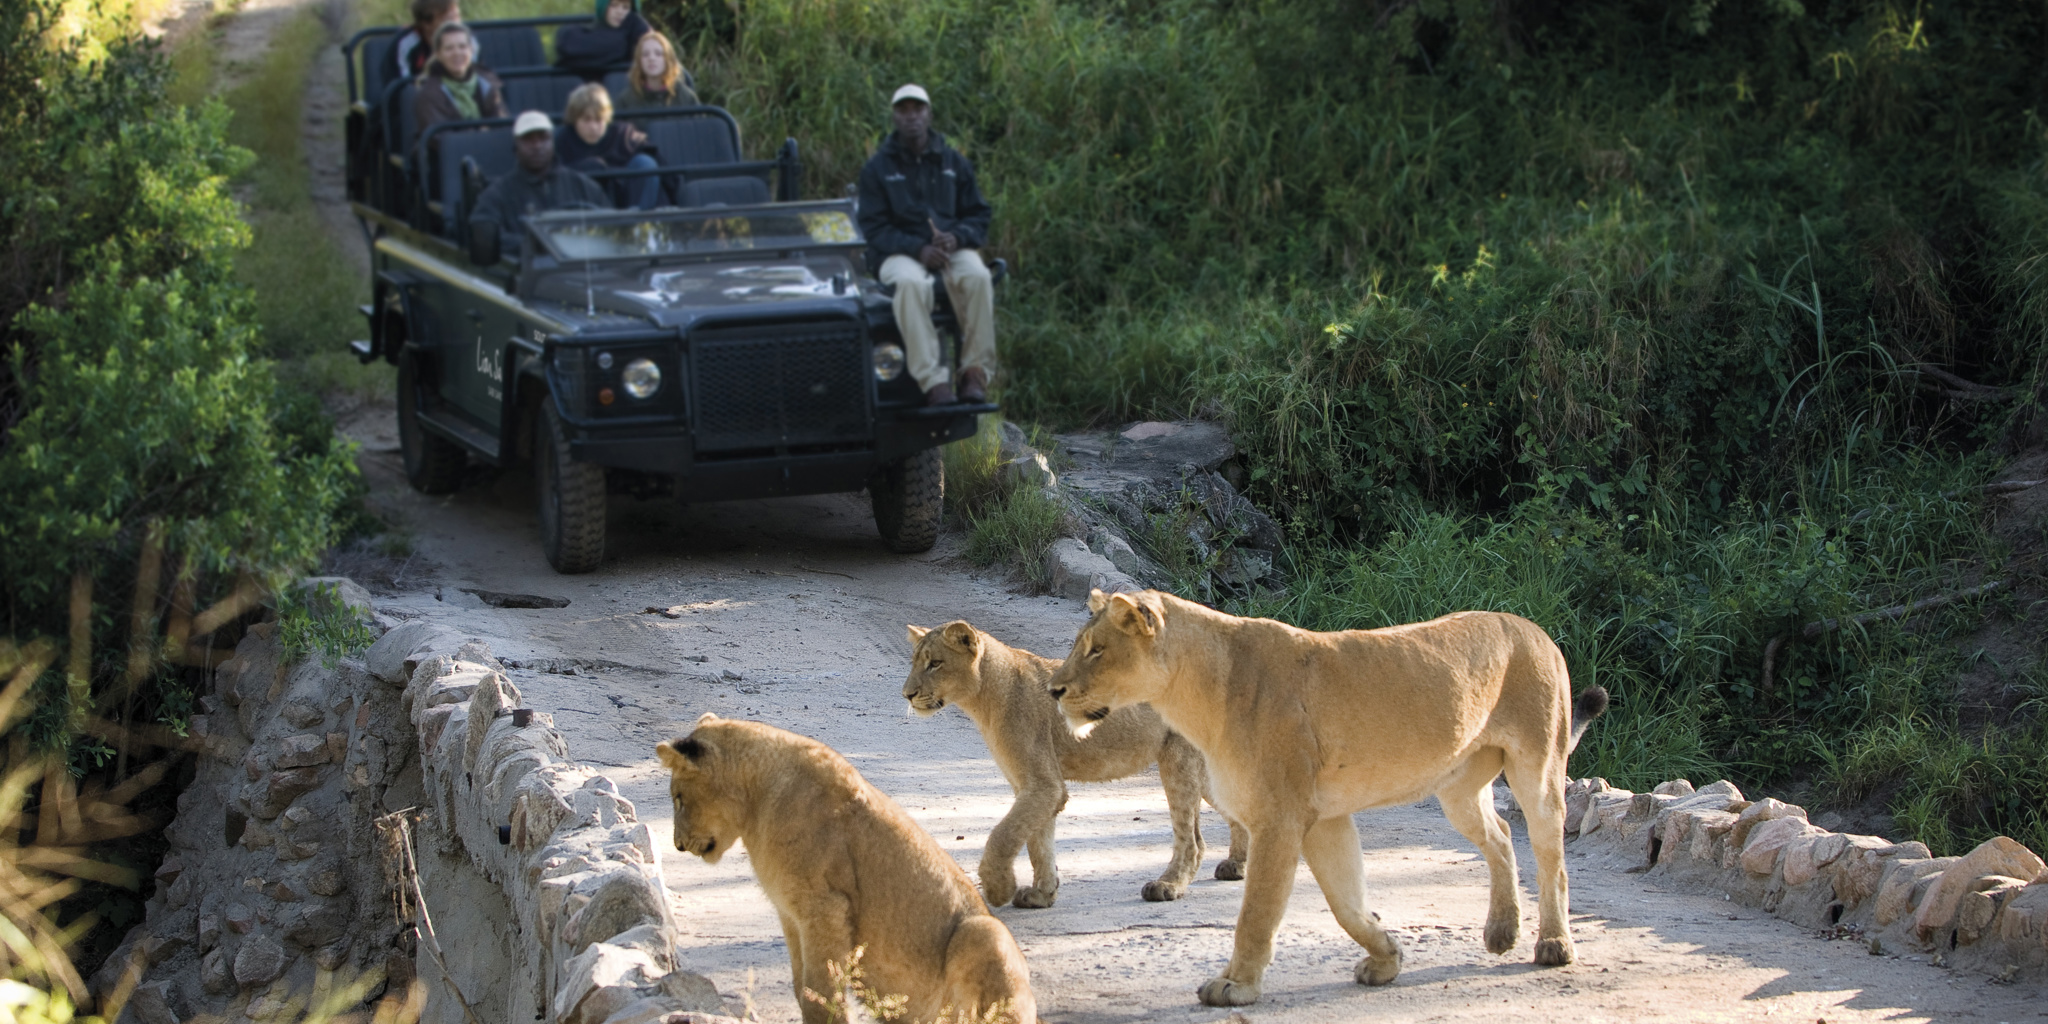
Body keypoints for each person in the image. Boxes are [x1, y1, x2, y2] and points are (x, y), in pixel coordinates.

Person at [856, 84, 996, 406]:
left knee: (978, 276)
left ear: (928, 114)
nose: (911, 117)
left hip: (950, 248)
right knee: (909, 284)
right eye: (903, 110)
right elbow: (874, 228)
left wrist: (957, 237)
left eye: (917, 109)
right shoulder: (877, 168)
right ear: (894, 116)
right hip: (899, 252)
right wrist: (918, 249)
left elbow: (979, 214)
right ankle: (933, 381)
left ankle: (974, 373)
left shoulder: (953, 162)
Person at [470, 111, 614, 260]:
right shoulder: (497, 194)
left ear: (552, 142)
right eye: (528, 139)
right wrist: (535, 245)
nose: (537, 146)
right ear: (516, 146)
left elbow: (612, 229)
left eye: (543, 138)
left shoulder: (584, 186)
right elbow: (486, 238)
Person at [556, 83, 662, 210]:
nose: (593, 127)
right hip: (583, 212)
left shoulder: (624, 134)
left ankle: (638, 222)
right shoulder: (561, 140)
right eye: (586, 120)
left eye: (598, 120)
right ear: (574, 119)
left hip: (627, 203)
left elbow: (656, 160)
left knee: (645, 162)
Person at [412, 22, 505, 148]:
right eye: (449, 48)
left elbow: (502, 125)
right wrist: (480, 137)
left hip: (490, 150)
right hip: (448, 161)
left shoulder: (488, 83)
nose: (457, 53)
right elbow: (439, 141)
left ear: (471, 50)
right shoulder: (428, 93)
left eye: (462, 46)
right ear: (438, 54)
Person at [554, 0, 650, 77]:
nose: (620, 12)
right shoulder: (575, 35)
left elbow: (651, 44)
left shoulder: (636, 29)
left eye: (625, 7)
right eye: (613, 5)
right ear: (603, 6)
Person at [613, 30, 698, 113]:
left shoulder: (686, 97)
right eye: (645, 54)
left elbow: (699, 124)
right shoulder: (626, 100)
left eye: (658, 54)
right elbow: (613, 125)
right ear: (639, 61)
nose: (651, 58)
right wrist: (623, 127)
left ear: (668, 59)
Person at [391, 0, 462, 83]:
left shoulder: (468, 42)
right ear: (426, 24)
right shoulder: (405, 44)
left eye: (457, 17)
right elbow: (402, 86)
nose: (455, 24)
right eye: (447, 19)